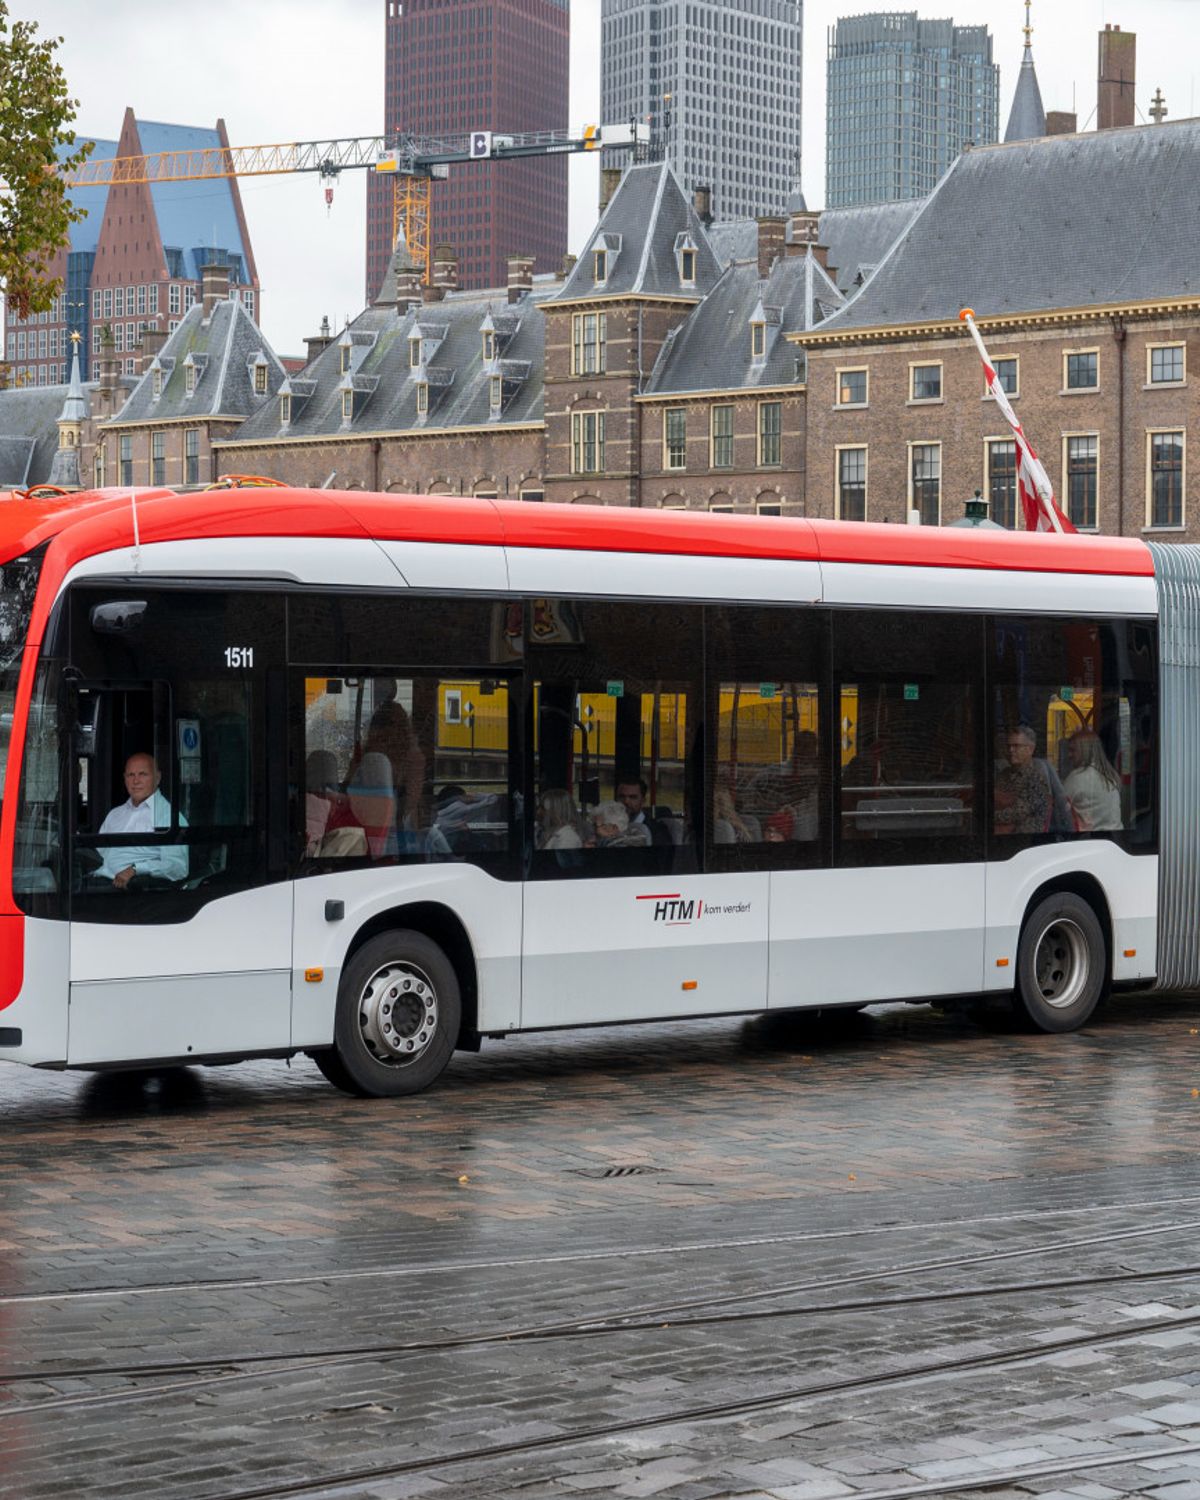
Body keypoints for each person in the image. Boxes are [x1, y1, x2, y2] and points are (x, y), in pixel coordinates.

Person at [95, 752, 188, 888]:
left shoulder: (170, 817)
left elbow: (178, 868)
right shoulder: (115, 814)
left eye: (143, 774)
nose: (136, 781)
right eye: (131, 775)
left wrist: (136, 869)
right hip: (96, 881)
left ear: (157, 778)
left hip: (133, 893)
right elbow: (99, 855)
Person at [994, 724, 1072, 835]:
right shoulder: (1004, 774)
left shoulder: (1036, 778)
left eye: (1016, 746)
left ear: (1030, 749)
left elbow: (1017, 813)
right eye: (1009, 746)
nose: (1011, 750)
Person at [1064, 729, 1122, 831]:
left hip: (1089, 840)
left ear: (1085, 751)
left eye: (1073, 750)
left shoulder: (1077, 777)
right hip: (1115, 838)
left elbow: (1061, 810)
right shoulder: (1111, 776)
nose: (1069, 755)